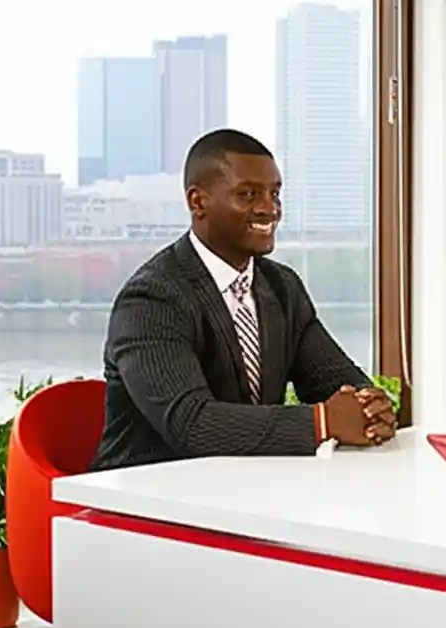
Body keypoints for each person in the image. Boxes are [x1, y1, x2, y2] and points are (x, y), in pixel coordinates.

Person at [88, 129, 395, 472]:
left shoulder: (282, 286)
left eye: (274, 193)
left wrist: (369, 408)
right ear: (198, 202)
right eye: (248, 194)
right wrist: (321, 423)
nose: (269, 209)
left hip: (247, 489)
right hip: (142, 500)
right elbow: (192, 425)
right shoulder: (151, 300)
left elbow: (337, 382)